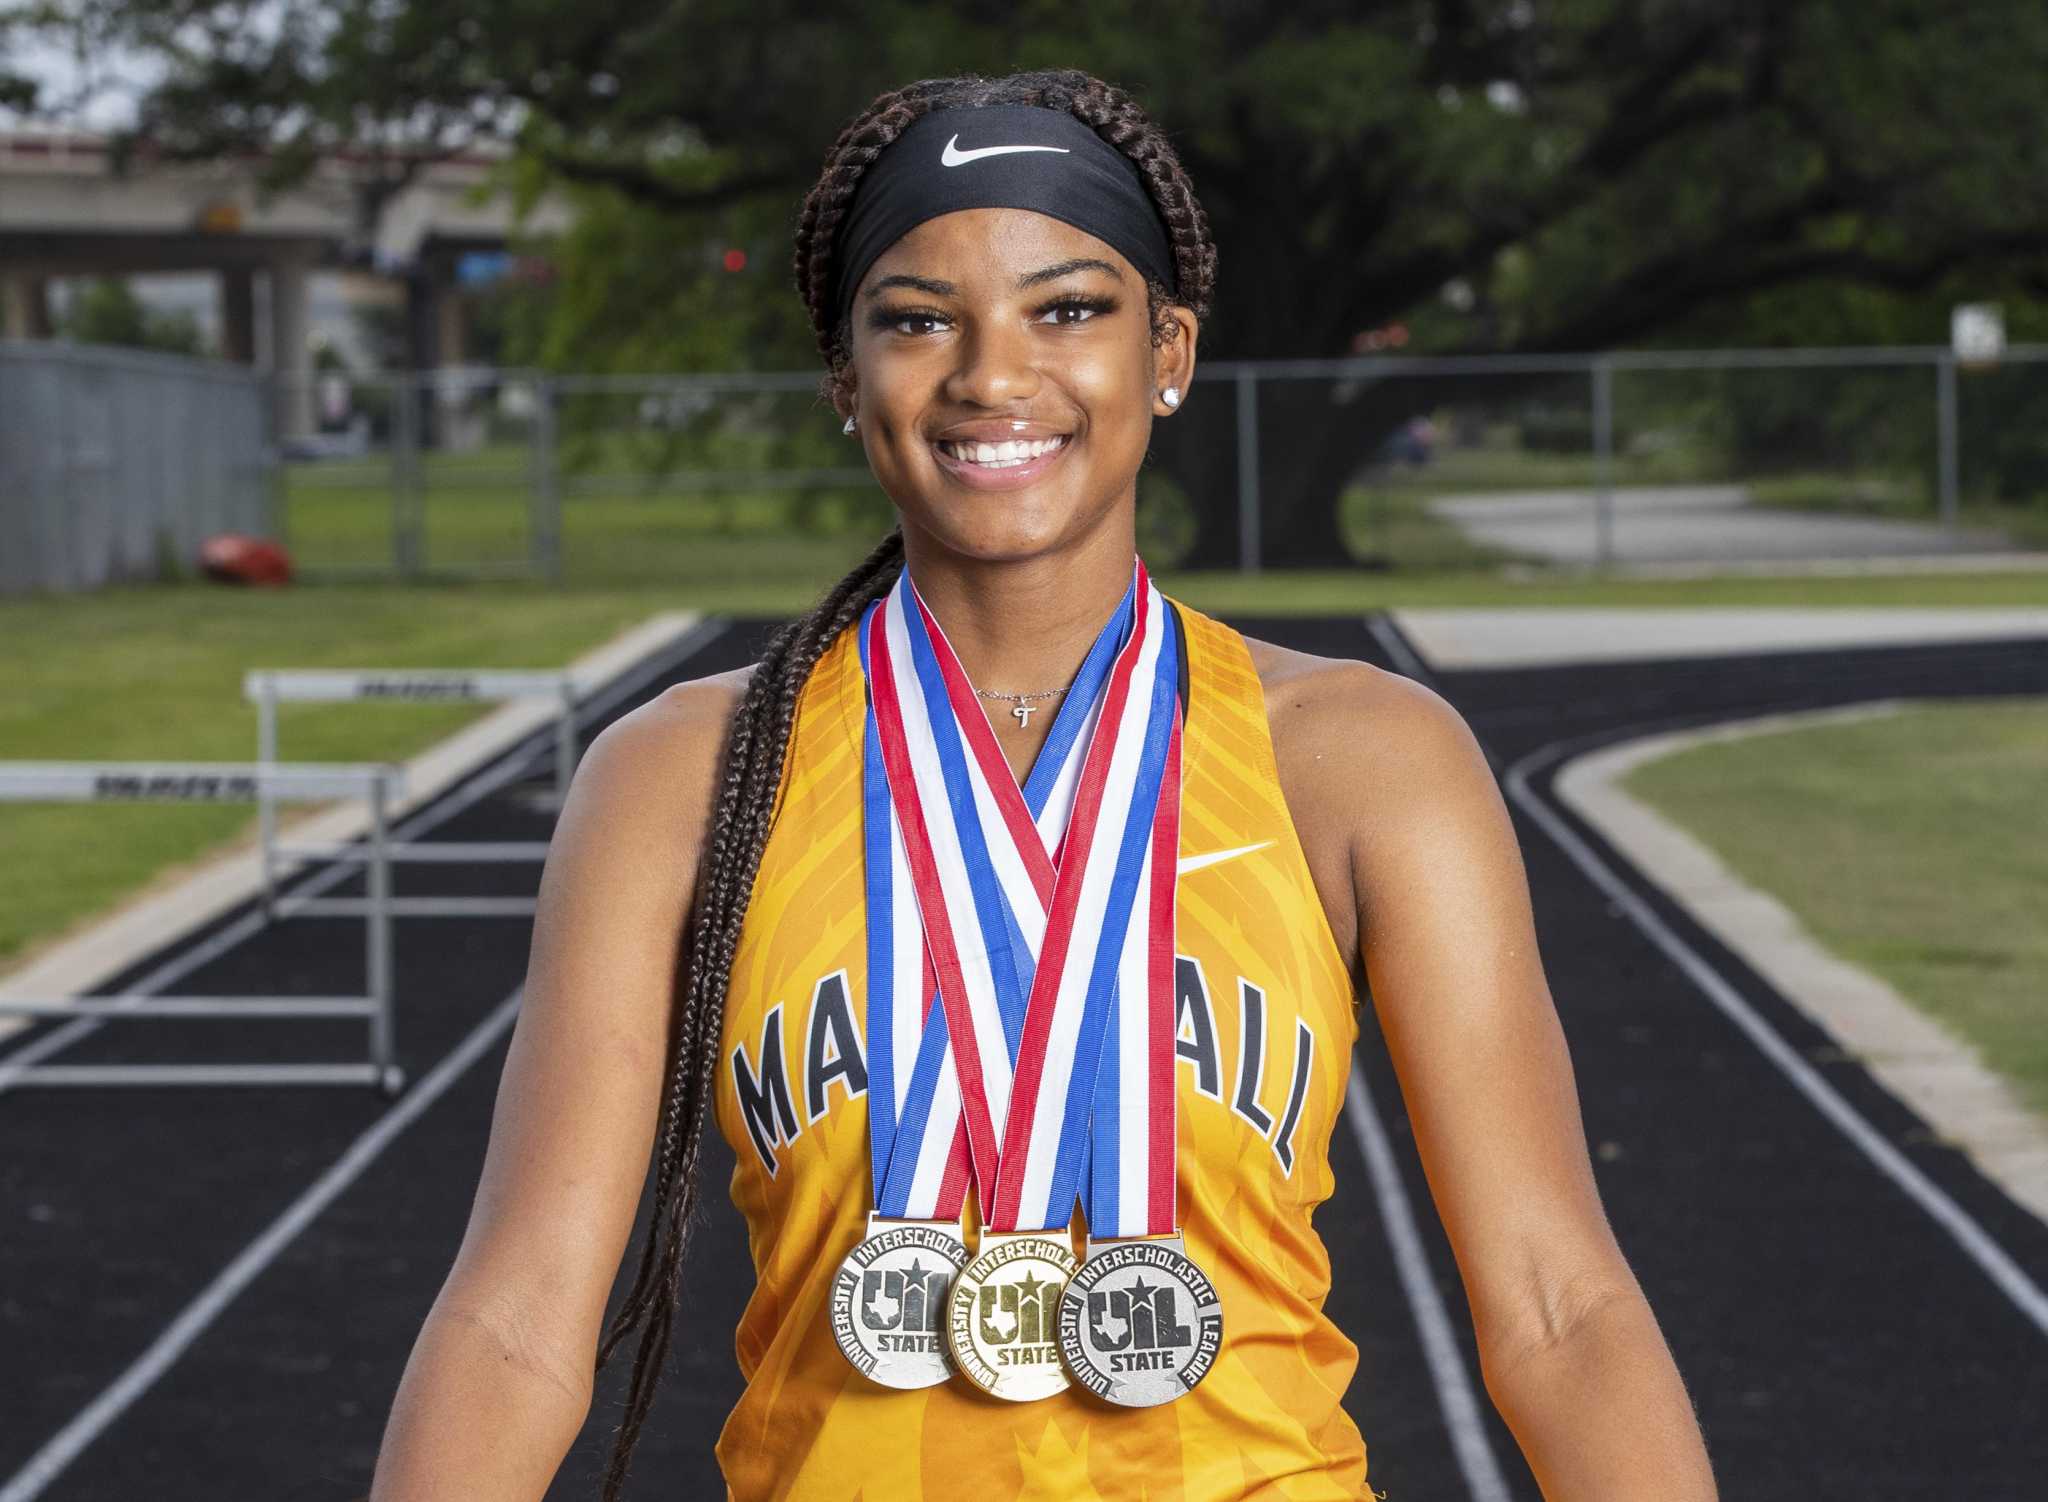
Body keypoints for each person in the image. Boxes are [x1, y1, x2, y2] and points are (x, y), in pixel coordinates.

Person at [366, 68, 1719, 1502]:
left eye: (1066, 308)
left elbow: (1561, 1309)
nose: (991, 376)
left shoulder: (1364, 760)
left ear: (1170, 349)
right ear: (846, 376)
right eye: (915, 319)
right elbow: (513, 1324)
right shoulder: (679, 778)